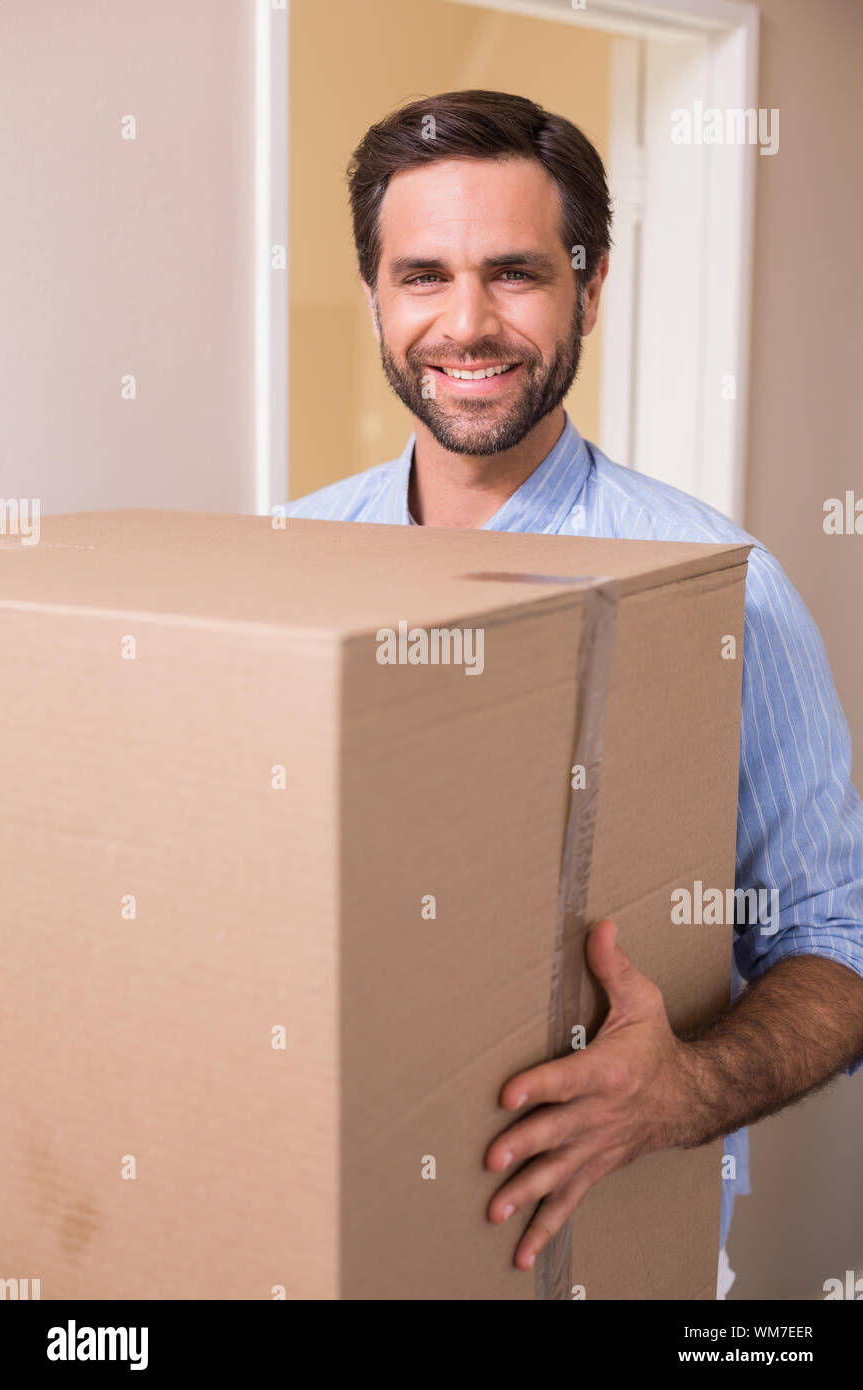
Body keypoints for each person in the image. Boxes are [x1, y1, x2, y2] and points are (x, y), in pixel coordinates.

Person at [286, 89, 863, 1296]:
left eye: (514, 272)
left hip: (607, 1247)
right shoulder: (283, 563)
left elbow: (836, 948)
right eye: (423, 275)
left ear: (588, 290)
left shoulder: (721, 596)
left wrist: (680, 1092)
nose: (465, 322)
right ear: (376, 299)